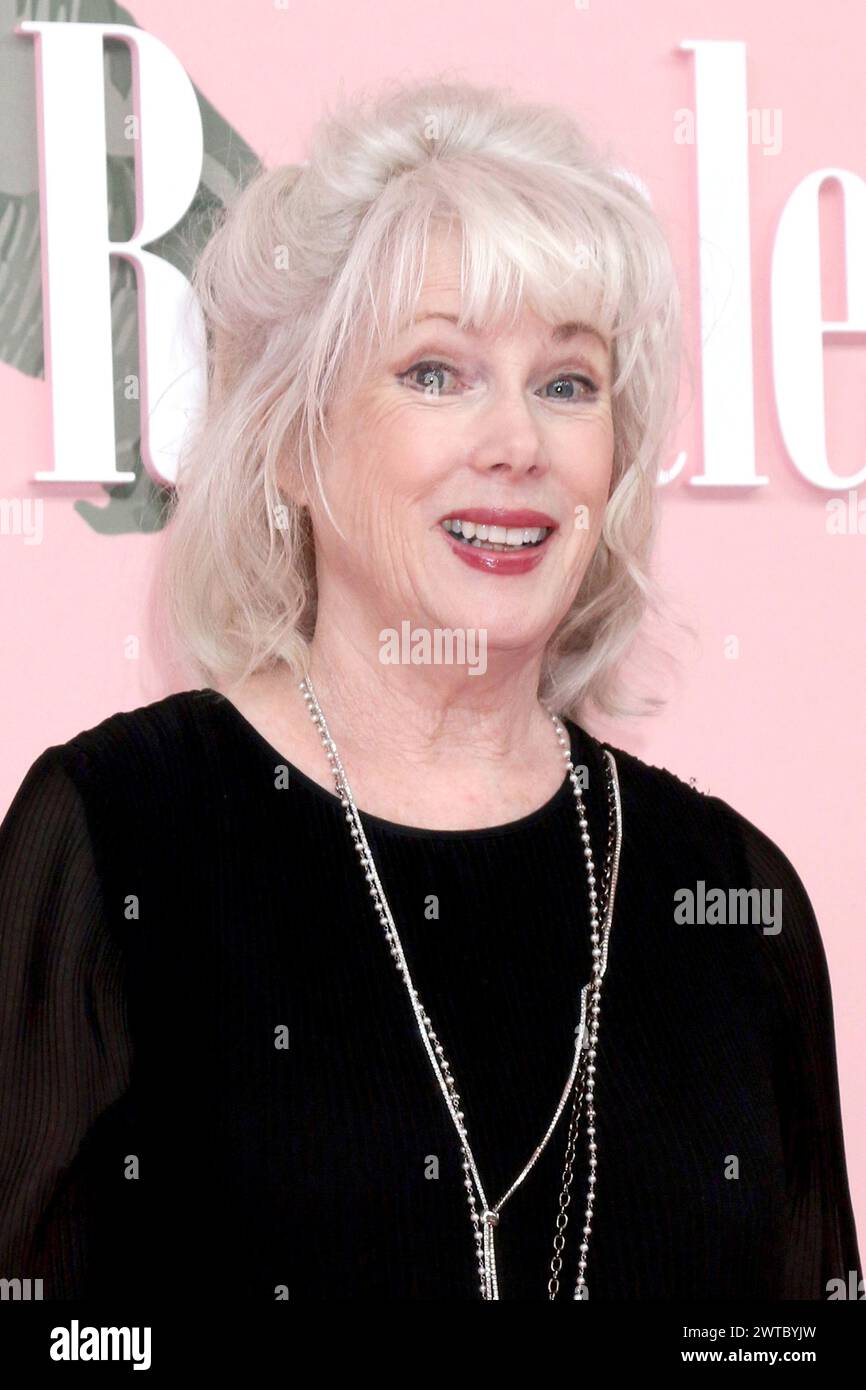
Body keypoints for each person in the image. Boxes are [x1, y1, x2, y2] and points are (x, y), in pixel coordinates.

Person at [0, 78, 860, 1301]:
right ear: (295, 444)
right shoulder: (111, 840)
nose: (515, 441)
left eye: (565, 383)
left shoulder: (728, 893)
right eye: (436, 373)